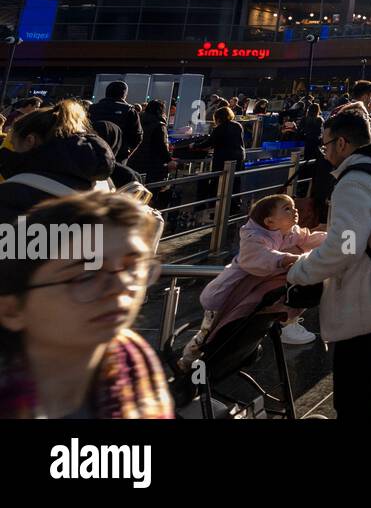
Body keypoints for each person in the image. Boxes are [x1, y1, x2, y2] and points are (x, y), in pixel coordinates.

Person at [286, 109, 371, 419]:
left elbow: (345, 248)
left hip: (366, 316)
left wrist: (300, 270)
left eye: (327, 144)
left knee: (355, 407)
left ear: (343, 143)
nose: (325, 151)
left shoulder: (356, 181)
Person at [0, 190, 171, 418]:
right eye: (86, 276)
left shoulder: (133, 359)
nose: (121, 285)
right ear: (12, 310)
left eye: (132, 266)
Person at [181, 195, 326, 365]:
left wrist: (332, 239)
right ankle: (188, 362)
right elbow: (259, 257)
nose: (295, 211)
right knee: (208, 335)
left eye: (293, 207)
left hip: (249, 294)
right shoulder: (253, 238)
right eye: (287, 208)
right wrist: (288, 258)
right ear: (269, 221)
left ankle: (235, 352)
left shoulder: (291, 232)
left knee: (245, 327)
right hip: (224, 296)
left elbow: (308, 238)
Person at [0, 101, 117, 222]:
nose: (12, 151)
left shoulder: (14, 193)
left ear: (30, 140)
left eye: (13, 145)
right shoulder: (102, 181)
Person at [192, 105, 246, 202]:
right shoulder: (238, 125)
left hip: (223, 159)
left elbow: (208, 143)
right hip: (239, 157)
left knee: (218, 181)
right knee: (235, 181)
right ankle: (235, 203)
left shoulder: (219, 128)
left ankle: (217, 205)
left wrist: (194, 145)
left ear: (218, 118)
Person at [87, 81, 143, 160]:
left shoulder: (92, 108)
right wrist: (127, 152)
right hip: (117, 156)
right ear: (124, 94)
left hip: (91, 152)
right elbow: (138, 136)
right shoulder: (129, 110)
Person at [128, 100, 175, 191]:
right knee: (151, 192)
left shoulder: (138, 121)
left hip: (134, 161)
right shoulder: (159, 125)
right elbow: (161, 146)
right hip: (152, 165)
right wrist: (169, 160)